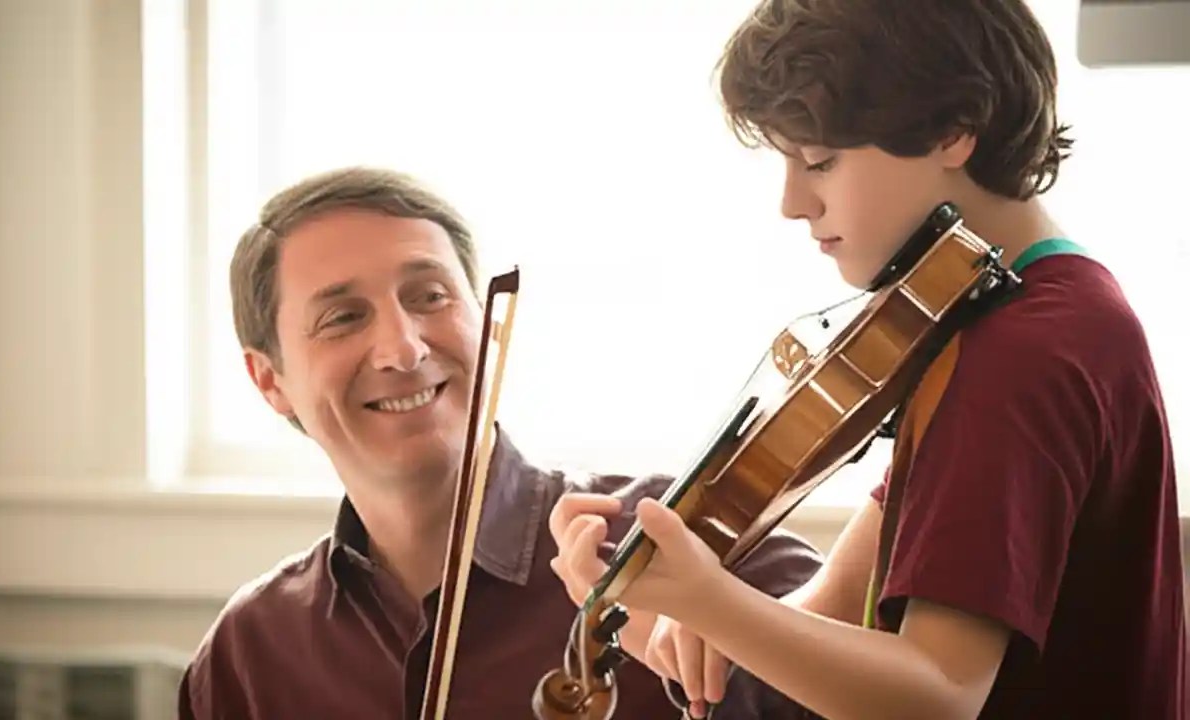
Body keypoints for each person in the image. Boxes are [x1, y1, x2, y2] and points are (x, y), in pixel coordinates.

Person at [550, 1, 1186, 718]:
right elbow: (818, 640)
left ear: (954, 129)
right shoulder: (1020, 309)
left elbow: (936, 697)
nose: (792, 203)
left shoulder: (1020, 354)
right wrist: (633, 603)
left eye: (819, 161)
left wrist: (712, 601)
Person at [176, 165, 824, 719]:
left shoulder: (684, 541)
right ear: (270, 381)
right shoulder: (252, 650)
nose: (403, 347)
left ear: (487, 326)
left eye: (429, 296)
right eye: (343, 317)